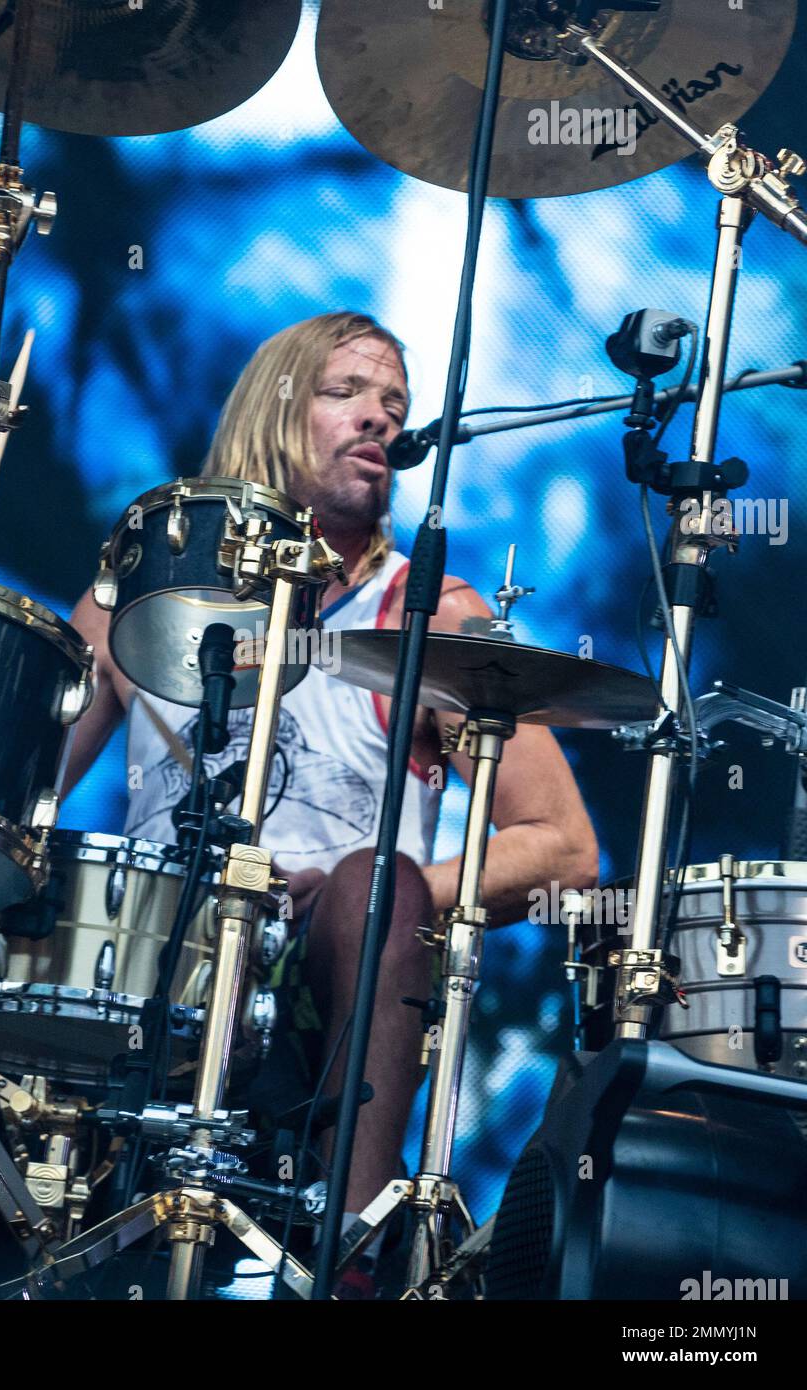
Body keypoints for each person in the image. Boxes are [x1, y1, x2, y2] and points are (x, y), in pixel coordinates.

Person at [63, 310, 598, 1232]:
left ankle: (354, 1241)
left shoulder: (429, 617)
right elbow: (7, 791)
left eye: (394, 404)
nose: (379, 419)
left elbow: (566, 850)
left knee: (372, 885)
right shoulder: (137, 590)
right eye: (345, 392)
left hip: (330, 979)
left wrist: (393, 899)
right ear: (271, 411)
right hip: (154, 959)